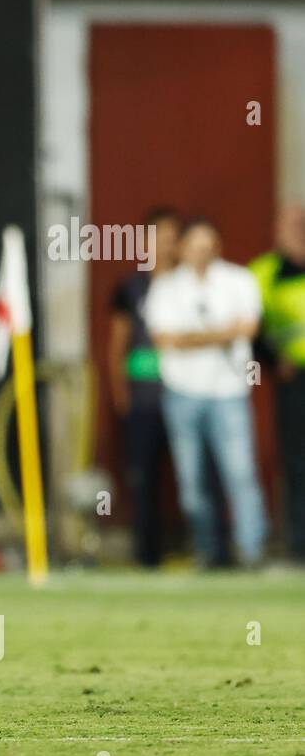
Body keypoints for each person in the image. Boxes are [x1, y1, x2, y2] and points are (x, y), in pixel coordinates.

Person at [145, 219, 267, 567]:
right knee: (192, 480)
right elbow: (165, 339)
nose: (202, 253)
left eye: (208, 245)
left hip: (229, 390)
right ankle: (207, 551)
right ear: (183, 249)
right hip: (183, 391)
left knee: (241, 472)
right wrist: (221, 334)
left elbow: (249, 328)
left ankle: (250, 550)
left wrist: (193, 338)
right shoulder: (166, 288)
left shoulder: (239, 280)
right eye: (195, 246)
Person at [107, 207, 180, 567]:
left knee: (191, 476)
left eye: (172, 238)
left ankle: (201, 549)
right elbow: (117, 345)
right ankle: (147, 555)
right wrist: (121, 393)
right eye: (159, 238)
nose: (166, 246)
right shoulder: (130, 289)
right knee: (143, 478)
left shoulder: (187, 285)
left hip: (186, 392)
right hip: (144, 397)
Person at [249, 204, 305, 563]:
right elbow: (249, 325)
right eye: (291, 223)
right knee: (297, 461)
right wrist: (272, 361)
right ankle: (299, 543)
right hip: (294, 381)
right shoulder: (263, 273)